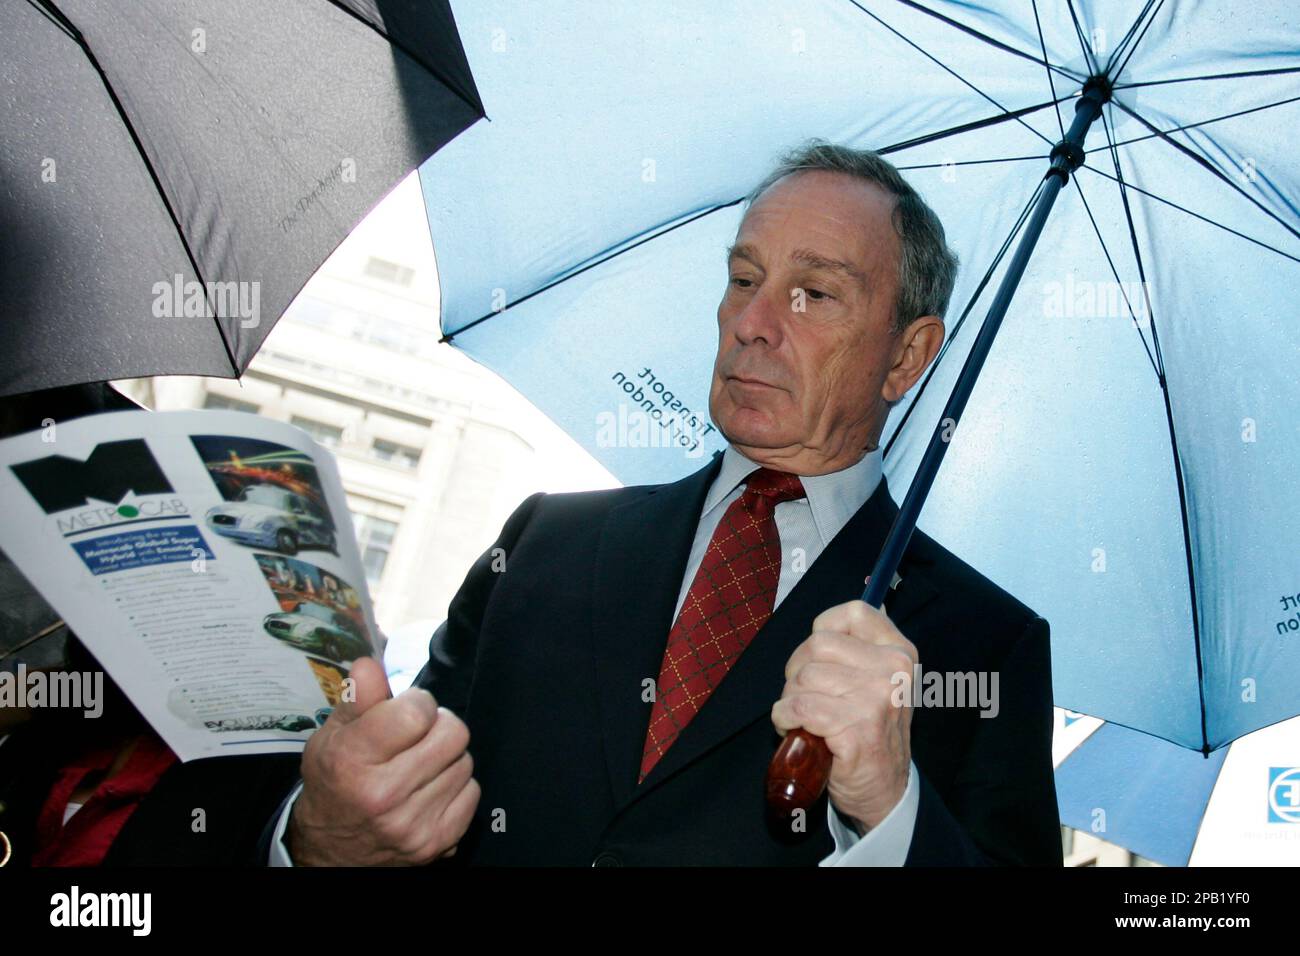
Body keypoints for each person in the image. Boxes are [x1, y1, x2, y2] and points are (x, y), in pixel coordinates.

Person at [266, 140, 1062, 866]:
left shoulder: (987, 646)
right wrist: (317, 840)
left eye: (812, 294)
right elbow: (396, 809)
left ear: (908, 356)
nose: (752, 323)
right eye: (745, 279)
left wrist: (890, 810)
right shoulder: (545, 541)